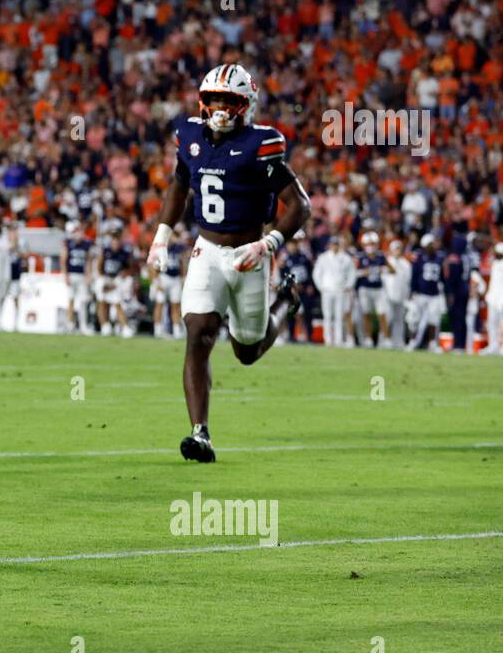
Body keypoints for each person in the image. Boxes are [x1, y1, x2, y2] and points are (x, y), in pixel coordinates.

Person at [147, 63, 309, 463]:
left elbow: (300, 206)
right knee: (199, 333)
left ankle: (286, 302)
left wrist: (268, 244)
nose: (220, 107)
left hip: (250, 254)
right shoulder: (189, 136)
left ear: (246, 105)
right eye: (214, 99)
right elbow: (180, 185)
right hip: (206, 250)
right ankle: (199, 433)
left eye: (230, 100)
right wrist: (161, 236)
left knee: (247, 352)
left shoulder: (261, 144)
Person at [407, 233, 445, 352]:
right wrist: (413, 291)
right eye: (431, 244)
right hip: (420, 294)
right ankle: (412, 342)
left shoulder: (439, 257)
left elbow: (442, 276)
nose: (433, 246)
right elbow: (414, 275)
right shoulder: (419, 258)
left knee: (433, 320)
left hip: (434, 294)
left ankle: (432, 343)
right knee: (415, 319)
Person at [313, 236, 351, 347]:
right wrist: (321, 287)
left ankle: (339, 340)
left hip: (340, 290)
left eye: (336, 244)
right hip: (327, 290)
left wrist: (348, 286)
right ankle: (328, 339)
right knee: (327, 315)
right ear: (329, 245)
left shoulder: (345, 258)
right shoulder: (323, 258)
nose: (334, 246)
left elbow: (351, 273)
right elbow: (316, 274)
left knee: (339, 316)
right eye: (333, 244)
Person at [60, 220, 94, 335]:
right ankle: (70, 325)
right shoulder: (68, 243)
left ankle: (83, 325)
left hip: (81, 275)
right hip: (71, 274)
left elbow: (88, 260)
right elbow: (63, 260)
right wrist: (65, 275)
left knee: (83, 301)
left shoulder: (86, 244)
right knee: (71, 300)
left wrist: (89, 275)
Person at [353, 231, 386, 347]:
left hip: (378, 288)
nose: (371, 246)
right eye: (369, 244)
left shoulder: (381, 256)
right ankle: (368, 338)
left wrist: (384, 269)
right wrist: (363, 272)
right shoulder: (360, 257)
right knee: (366, 314)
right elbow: (353, 273)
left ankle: (385, 339)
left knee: (382, 314)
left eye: (373, 243)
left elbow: (392, 270)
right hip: (365, 289)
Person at [483, 242, 503, 355]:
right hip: (493, 297)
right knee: (492, 323)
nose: (495, 253)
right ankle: (493, 345)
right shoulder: (495, 263)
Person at [382, 239, 413, 348]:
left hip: (401, 295)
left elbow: (408, 281)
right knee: (388, 318)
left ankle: (398, 341)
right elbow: (383, 279)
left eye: (399, 249)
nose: (397, 251)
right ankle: (384, 340)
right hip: (388, 295)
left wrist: (407, 295)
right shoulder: (387, 262)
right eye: (395, 249)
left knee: (399, 320)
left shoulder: (406, 264)